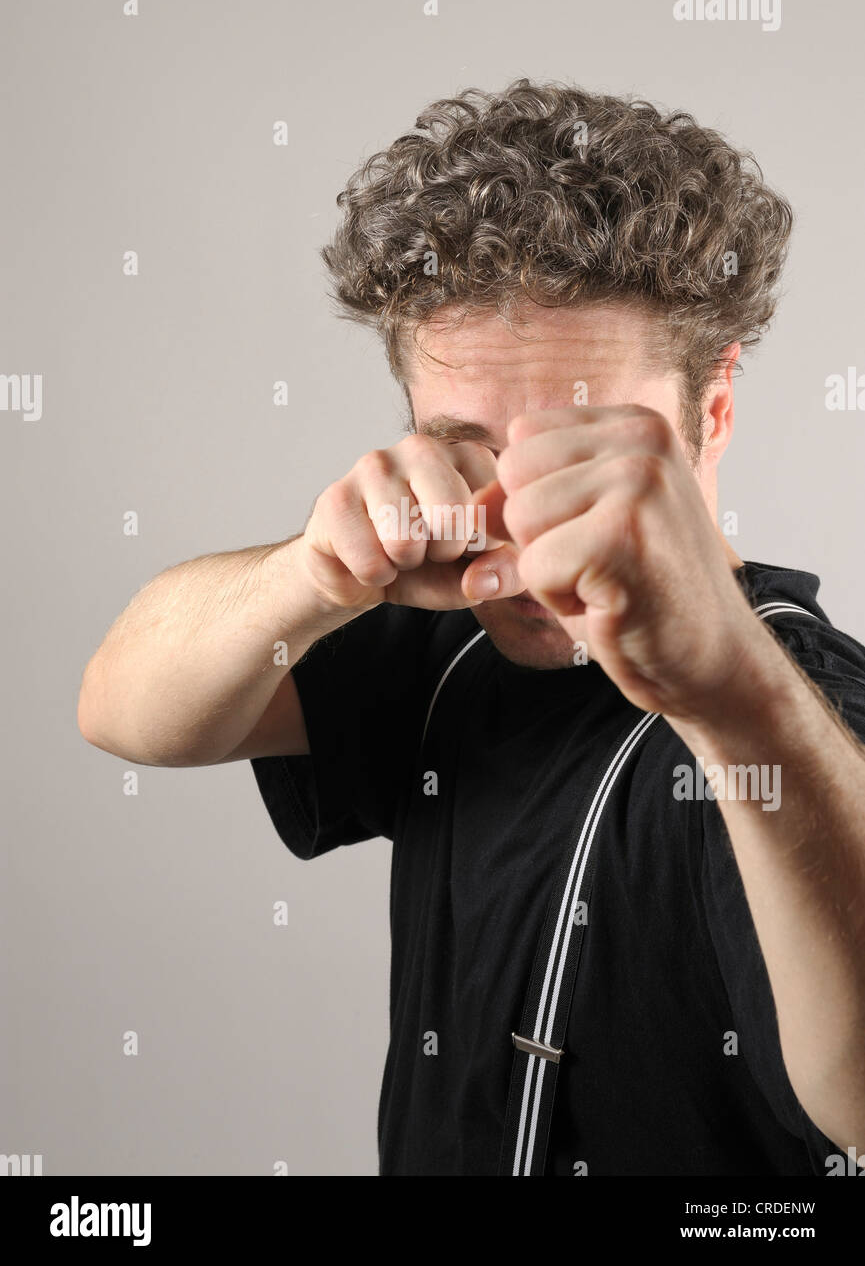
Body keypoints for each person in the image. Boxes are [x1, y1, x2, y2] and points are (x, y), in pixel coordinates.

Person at [78, 80, 865, 1176]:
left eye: (580, 448)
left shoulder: (812, 713)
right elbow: (121, 709)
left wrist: (730, 689)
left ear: (713, 411)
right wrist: (316, 572)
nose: (521, 514)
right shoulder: (455, 637)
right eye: (468, 446)